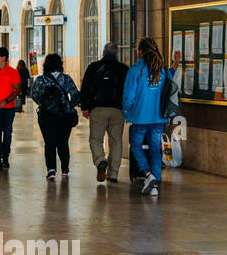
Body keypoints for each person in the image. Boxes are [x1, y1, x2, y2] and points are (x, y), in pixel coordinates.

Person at [122, 37, 172, 197]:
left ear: (141, 52)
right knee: (155, 148)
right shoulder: (162, 70)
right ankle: (155, 183)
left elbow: (129, 96)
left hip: (140, 116)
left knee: (136, 145)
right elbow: (169, 93)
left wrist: (126, 111)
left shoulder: (136, 70)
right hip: (159, 117)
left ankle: (148, 174)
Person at [81, 42, 129, 184]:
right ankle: (113, 174)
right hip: (118, 110)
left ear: (103, 53)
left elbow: (85, 87)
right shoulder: (123, 69)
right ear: (116, 54)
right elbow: (129, 89)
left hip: (98, 109)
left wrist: (85, 106)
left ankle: (100, 160)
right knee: (116, 141)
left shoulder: (93, 67)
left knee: (95, 139)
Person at [30, 53, 80, 180]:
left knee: (49, 142)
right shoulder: (66, 79)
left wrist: (45, 104)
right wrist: (68, 105)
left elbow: (34, 95)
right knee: (63, 142)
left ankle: (51, 170)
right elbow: (75, 95)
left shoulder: (41, 80)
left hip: (46, 116)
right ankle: (65, 168)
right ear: (60, 65)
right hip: (65, 116)